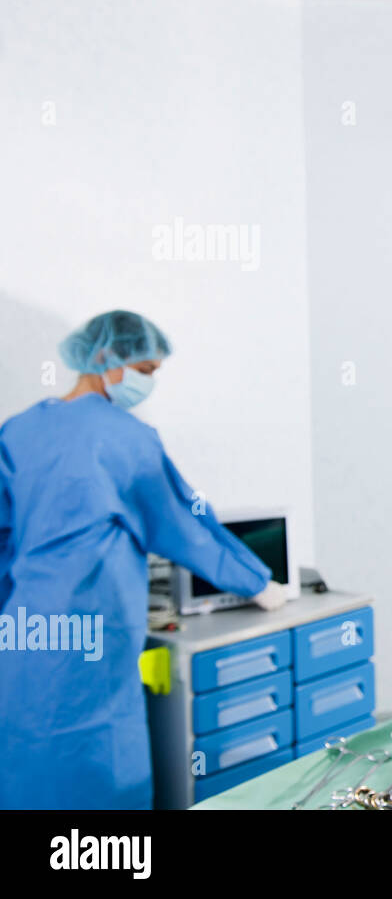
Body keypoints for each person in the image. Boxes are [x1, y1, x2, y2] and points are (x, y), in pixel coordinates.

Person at [0, 310, 286, 809]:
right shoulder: (125, 437)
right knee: (100, 771)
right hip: (89, 638)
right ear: (106, 358)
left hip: (23, 636)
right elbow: (186, 524)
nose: (148, 383)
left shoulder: (18, 432)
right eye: (147, 371)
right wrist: (258, 582)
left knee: (28, 765)